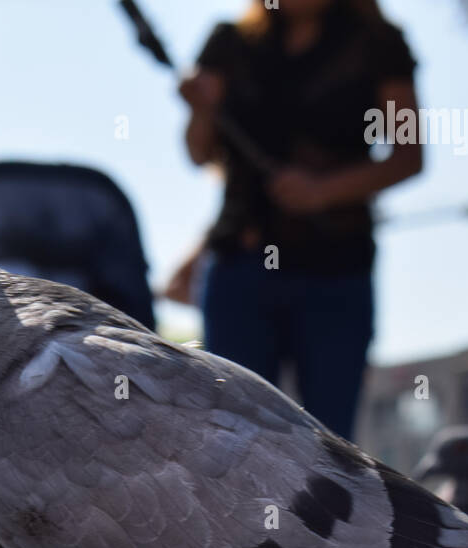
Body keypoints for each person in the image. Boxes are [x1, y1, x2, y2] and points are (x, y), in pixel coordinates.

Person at [180, 0, 422, 441]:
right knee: (231, 438)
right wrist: (201, 109)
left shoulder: (378, 46)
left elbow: (409, 155)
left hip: (336, 273)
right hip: (240, 270)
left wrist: (321, 192)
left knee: (329, 446)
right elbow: (198, 153)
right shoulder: (229, 43)